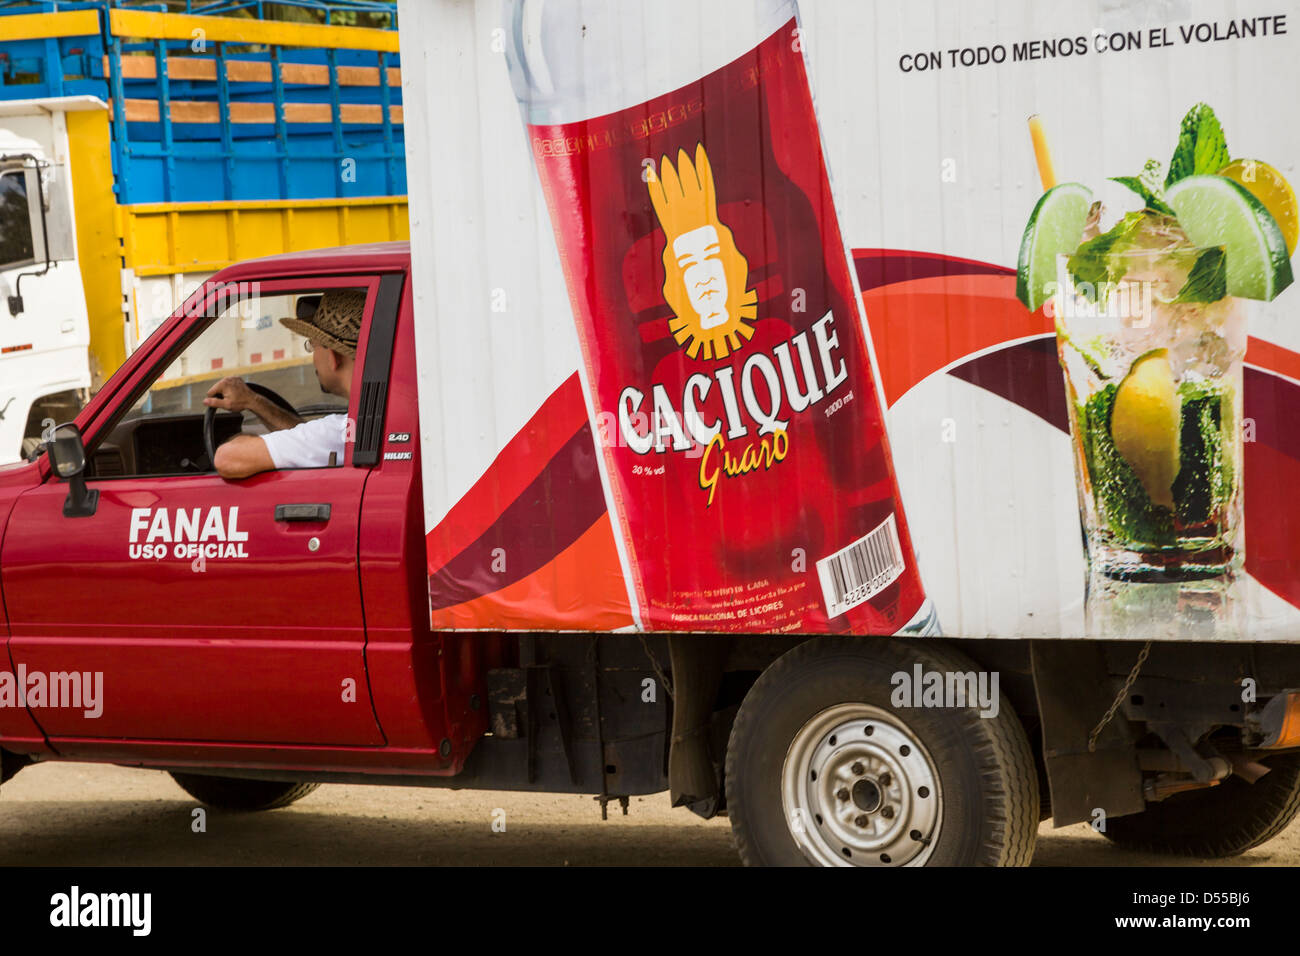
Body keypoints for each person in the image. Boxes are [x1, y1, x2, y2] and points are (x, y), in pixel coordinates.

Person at [205, 288, 365, 479]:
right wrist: (253, 401)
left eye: (312, 345)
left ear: (333, 357)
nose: (313, 357)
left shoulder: (340, 432)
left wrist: (241, 439)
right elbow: (309, 443)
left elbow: (227, 458)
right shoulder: (355, 429)